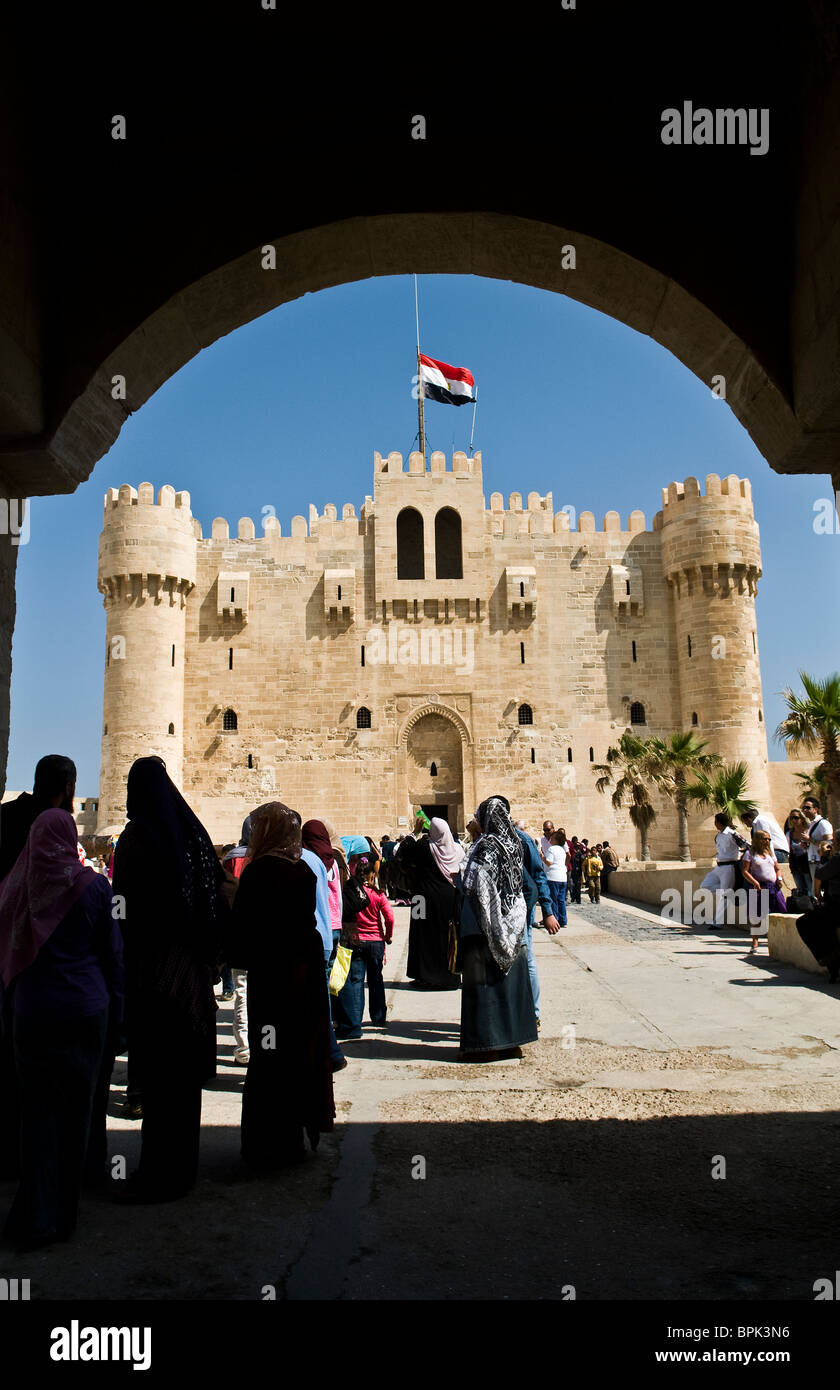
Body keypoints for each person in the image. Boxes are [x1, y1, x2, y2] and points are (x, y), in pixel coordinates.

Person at [0, 809, 123, 1249]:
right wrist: (119, 1011)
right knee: (77, 1114)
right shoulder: (94, 887)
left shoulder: (16, 887)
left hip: (31, 1014)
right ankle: (64, 1215)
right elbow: (112, 956)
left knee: (36, 1117)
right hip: (85, 1012)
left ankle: (35, 1212)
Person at [112, 757, 227, 1203]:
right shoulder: (192, 836)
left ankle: (157, 1172)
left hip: (149, 973)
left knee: (157, 1072)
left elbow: (121, 909)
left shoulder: (137, 838)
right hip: (189, 977)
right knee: (181, 1076)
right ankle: (183, 1169)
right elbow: (214, 899)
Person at [228, 803, 335, 1167]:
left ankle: (267, 1144)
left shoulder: (260, 871)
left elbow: (243, 931)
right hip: (303, 974)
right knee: (297, 1053)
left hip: (272, 977)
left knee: (269, 1056)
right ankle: (294, 1140)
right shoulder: (303, 869)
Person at [456, 796, 537, 1061]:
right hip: (513, 922)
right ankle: (513, 1042)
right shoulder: (514, 843)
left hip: (485, 927)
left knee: (484, 988)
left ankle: (485, 1046)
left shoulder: (488, 844)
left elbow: (474, 880)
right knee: (511, 986)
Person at [302, 818, 346, 1073]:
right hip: (332, 929)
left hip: (317, 933)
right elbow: (337, 896)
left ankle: (331, 1051)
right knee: (327, 989)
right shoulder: (333, 861)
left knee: (317, 998)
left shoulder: (306, 861)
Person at [336, 848, 394, 1039]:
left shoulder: (352, 893)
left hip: (357, 941)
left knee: (356, 981)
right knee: (376, 980)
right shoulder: (378, 894)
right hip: (376, 942)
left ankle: (355, 1021)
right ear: (372, 874)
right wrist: (388, 935)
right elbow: (390, 918)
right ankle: (378, 1018)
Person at [401, 818, 463, 990]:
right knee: (447, 936)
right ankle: (448, 977)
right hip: (448, 900)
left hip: (421, 899)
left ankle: (423, 975)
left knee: (420, 933)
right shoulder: (457, 849)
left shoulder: (424, 848)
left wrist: (415, 832)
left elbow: (402, 854)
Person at [797, 831, 840, 982]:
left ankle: (827, 958)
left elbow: (820, 874)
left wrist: (824, 857)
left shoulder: (837, 858)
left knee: (804, 922)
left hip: (836, 905)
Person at [740, 829, 786, 952]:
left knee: (779, 912)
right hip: (759, 887)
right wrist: (754, 882)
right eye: (764, 838)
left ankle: (777, 941)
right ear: (757, 840)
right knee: (757, 917)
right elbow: (745, 871)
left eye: (769, 839)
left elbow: (777, 868)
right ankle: (755, 942)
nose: (767, 841)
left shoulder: (771, 853)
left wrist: (779, 879)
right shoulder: (750, 854)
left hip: (773, 887)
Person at [698, 814, 748, 927]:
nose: (714, 824)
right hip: (719, 866)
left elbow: (746, 845)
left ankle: (717, 923)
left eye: (715, 821)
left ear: (719, 822)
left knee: (724, 896)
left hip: (729, 866)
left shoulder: (732, 834)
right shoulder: (718, 836)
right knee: (705, 885)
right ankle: (730, 893)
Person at [540, 828, 569, 927]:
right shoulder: (562, 850)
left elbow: (549, 862)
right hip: (562, 877)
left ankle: (555, 919)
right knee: (561, 900)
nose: (550, 840)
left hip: (552, 877)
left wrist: (542, 857)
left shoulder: (551, 849)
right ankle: (563, 920)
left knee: (553, 899)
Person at [804, 798, 833, 884]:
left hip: (820, 861)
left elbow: (829, 843)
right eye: (804, 808)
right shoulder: (812, 824)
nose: (805, 810)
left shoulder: (823, 823)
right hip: (812, 860)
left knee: (819, 889)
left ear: (816, 809)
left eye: (808, 808)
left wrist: (810, 840)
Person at [786, 808, 813, 896]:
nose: (794, 820)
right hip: (795, 864)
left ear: (802, 818)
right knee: (800, 889)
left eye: (796, 818)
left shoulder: (808, 831)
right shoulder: (789, 834)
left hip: (807, 864)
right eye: (791, 818)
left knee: (810, 887)